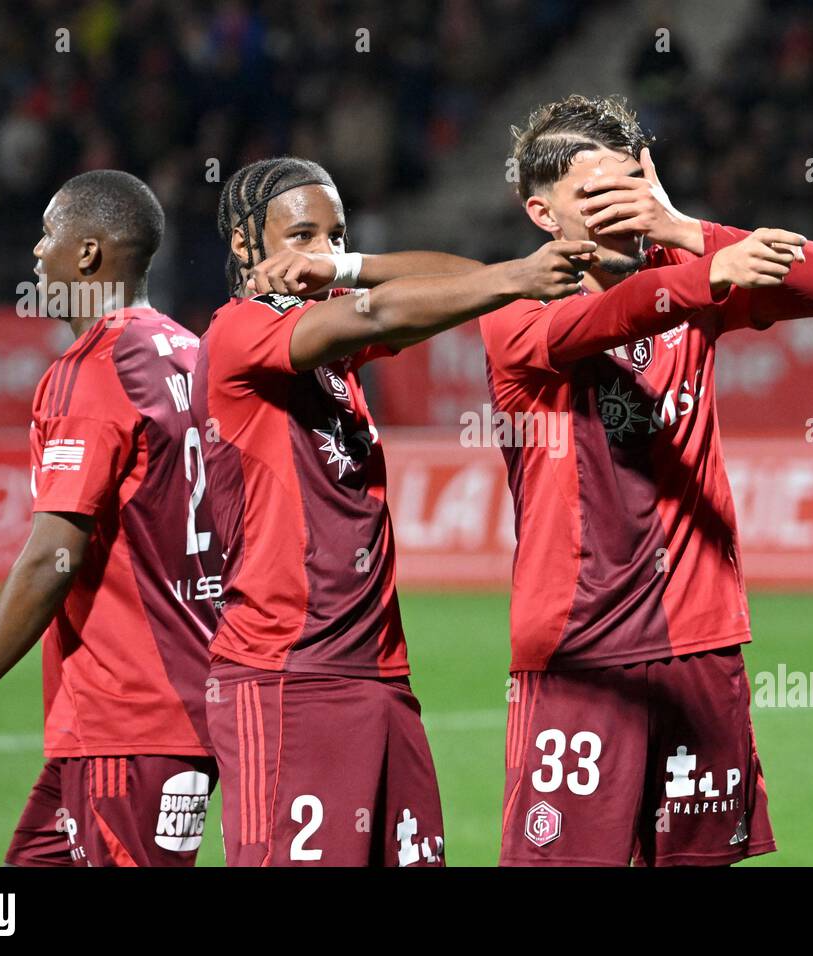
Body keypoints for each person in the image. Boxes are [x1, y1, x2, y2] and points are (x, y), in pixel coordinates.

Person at [481, 94, 813, 866]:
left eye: (631, 184)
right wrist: (708, 271)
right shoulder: (517, 309)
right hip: (581, 649)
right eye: (595, 194)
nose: (621, 206)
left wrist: (685, 229)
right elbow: (614, 317)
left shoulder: (690, 269)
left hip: (701, 639)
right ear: (542, 214)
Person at [194, 156, 595, 866]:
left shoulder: (336, 354)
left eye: (336, 234)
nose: (321, 250)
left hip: (379, 674)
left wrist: (348, 266)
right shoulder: (240, 331)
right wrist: (516, 275)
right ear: (245, 243)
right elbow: (391, 307)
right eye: (302, 236)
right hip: (289, 675)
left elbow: (468, 279)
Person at [0, 170, 221, 866]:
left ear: (87, 253)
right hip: (162, 707)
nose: (36, 250)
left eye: (48, 233)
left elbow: (53, 557)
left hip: (131, 718)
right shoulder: (192, 354)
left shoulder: (95, 370)